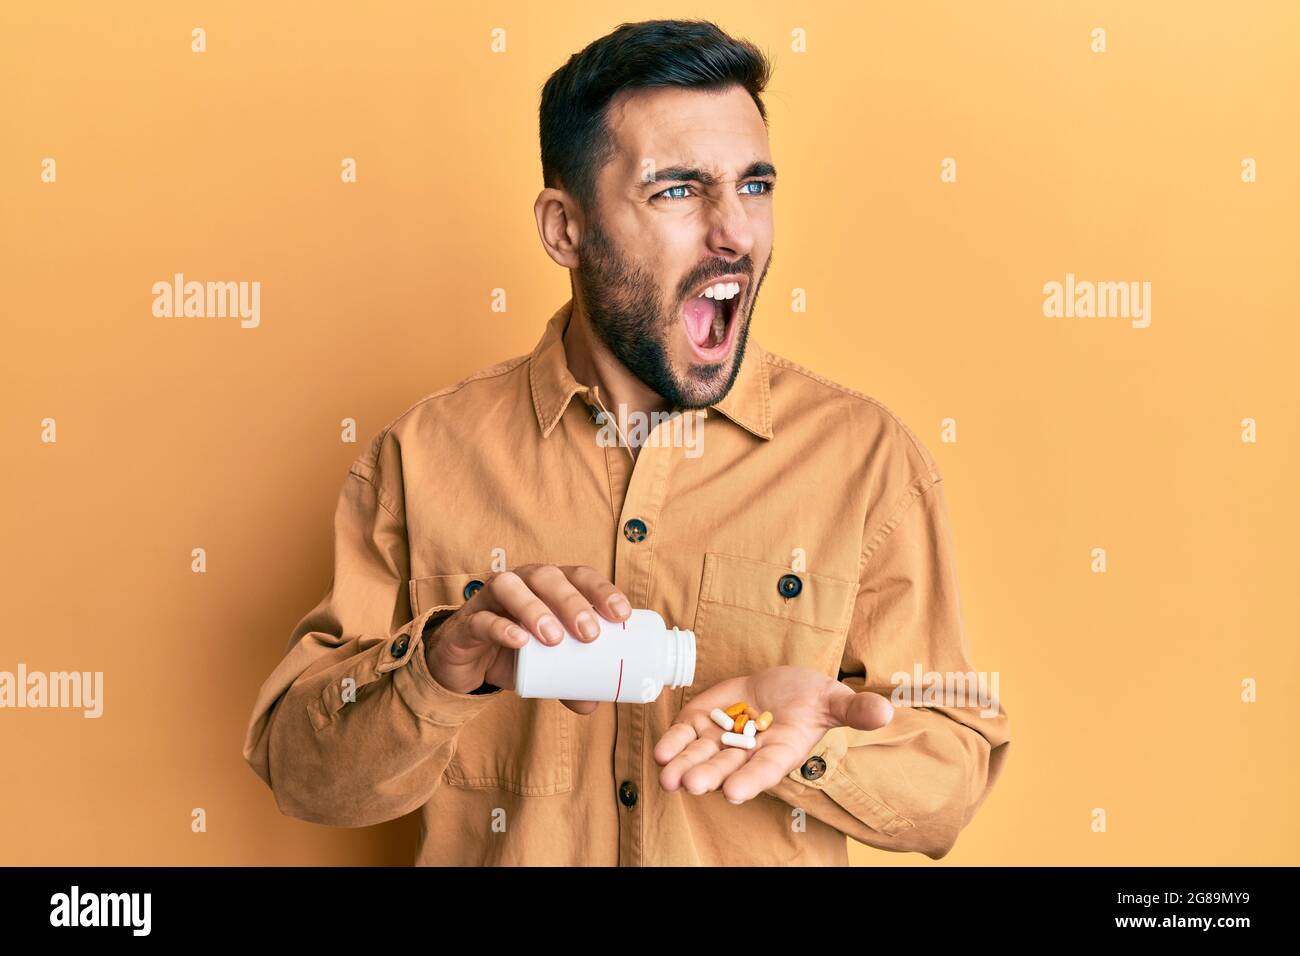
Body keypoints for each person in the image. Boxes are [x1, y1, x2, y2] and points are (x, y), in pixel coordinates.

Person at [243, 18, 1011, 866]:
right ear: (565, 229)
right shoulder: (422, 456)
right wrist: (440, 665)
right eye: (677, 191)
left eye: (754, 186)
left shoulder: (866, 461)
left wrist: (816, 750)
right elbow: (302, 774)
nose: (735, 232)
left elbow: (952, 777)